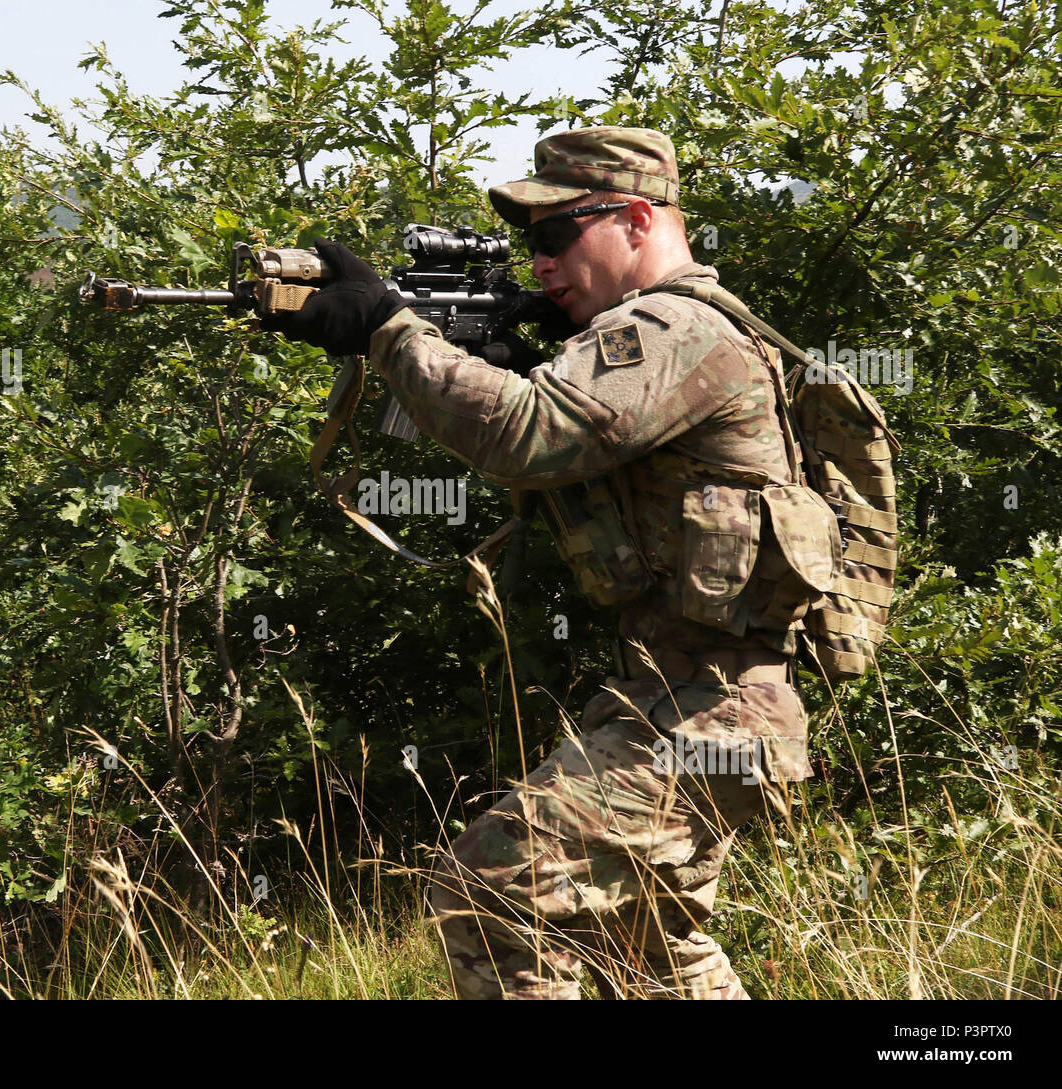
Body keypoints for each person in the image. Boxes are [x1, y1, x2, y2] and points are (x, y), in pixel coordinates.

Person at [262, 127, 840, 1000]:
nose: (538, 263)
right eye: (530, 242)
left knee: (489, 887)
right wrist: (469, 354)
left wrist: (389, 327)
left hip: (712, 719)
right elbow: (553, 434)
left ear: (638, 219)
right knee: (647, 952)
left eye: (556, 235)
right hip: (683, 705)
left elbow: (524, 434)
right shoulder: (650, 334)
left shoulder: (672, 325)